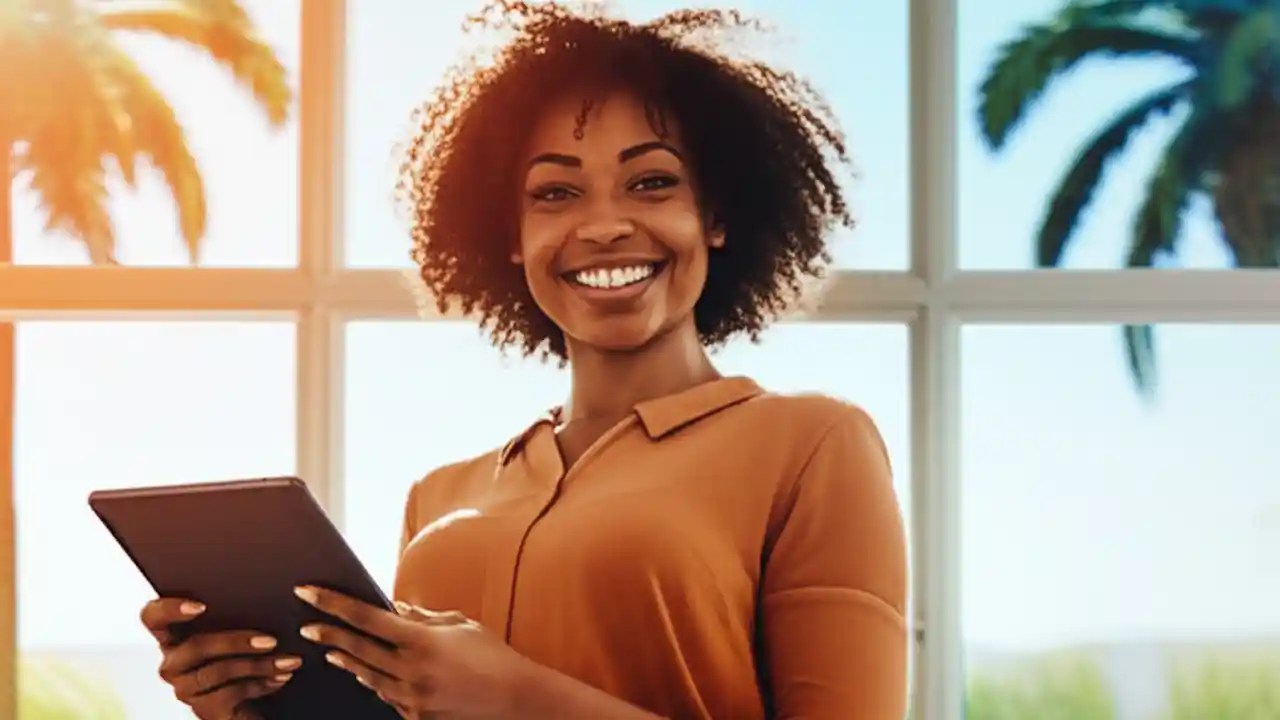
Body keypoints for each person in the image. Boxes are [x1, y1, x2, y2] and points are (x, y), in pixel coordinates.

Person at [138, 2, 909, 718]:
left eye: (651, 183)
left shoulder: (812, 445)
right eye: (555, 194)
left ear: (716, 216)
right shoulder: (438, 497)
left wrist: (514, 696)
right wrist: (252, 706)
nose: (604, 225)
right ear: (508, 235)